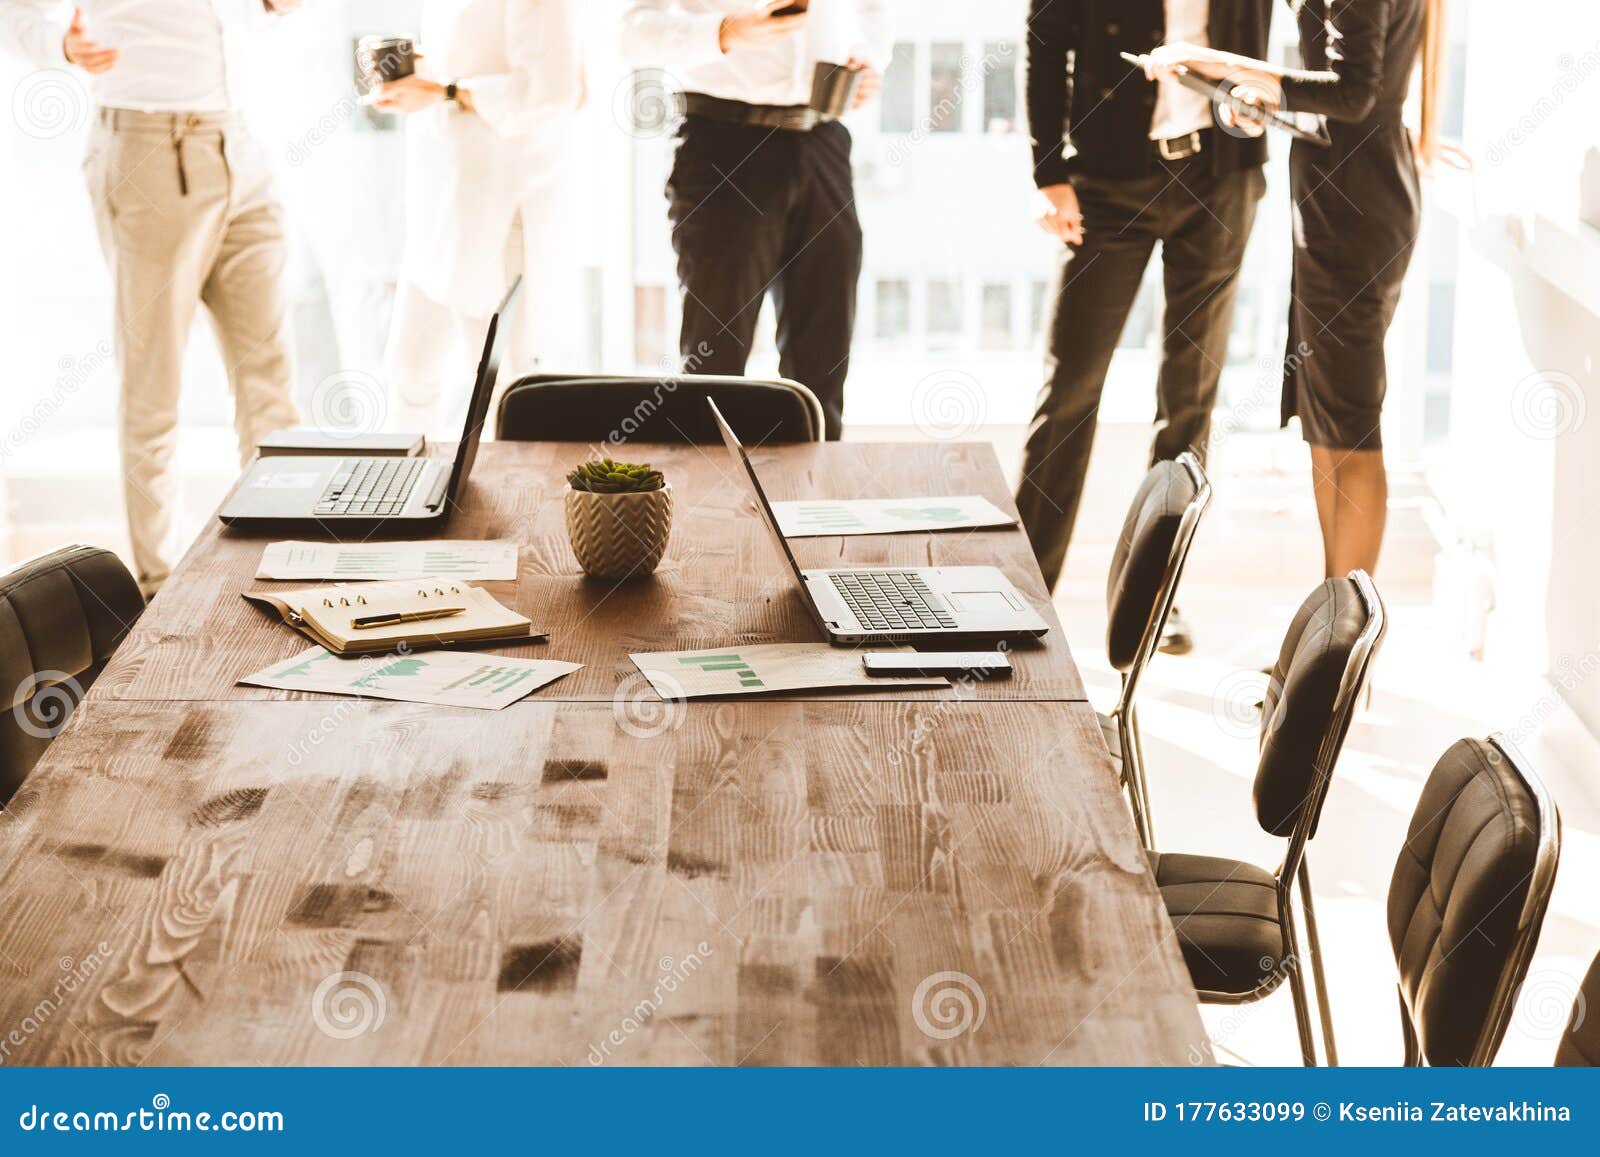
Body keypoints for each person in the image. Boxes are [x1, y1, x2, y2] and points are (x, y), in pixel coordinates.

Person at [2, 1, 303, 597]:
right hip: (148, 143)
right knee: (154, 386)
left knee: (271, 380)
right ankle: (158, 593)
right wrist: (58, 44)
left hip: (237, 139)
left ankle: (281, 564)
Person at [1148, 0, 1449, 579]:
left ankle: (1346, 642)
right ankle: (1331, 629)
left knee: (1352, 427)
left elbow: (1354, 94)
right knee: (1327, 423)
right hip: (1341, 194)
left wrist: (1208, 60)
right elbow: (1351, 96)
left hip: (1355, 207)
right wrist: (1268, 100)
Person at [1017, 0, 1272, 653]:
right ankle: (1017, 591)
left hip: (1221, 174)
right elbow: (1045, 42)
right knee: (1072, 386)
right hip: (1105, 177)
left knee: (1190, 399)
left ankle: (1155, 597)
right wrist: (1049, 171)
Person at [620, 0, 890, 440]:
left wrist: (868, 57)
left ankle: (809, 505)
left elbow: (873, 11)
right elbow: (631, 32)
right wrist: (724, 31)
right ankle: (709, 507)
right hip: (724, 143)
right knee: (715, 364)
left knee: (824, 362)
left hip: (825, 140)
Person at [375, 0, 583, 436]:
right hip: (438, 203)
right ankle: (397, 493)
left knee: (501, 384)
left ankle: (515, 499)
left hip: (499, 206)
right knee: (411, 373)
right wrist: (421, 74)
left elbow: (556, 93)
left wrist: (445, 91)